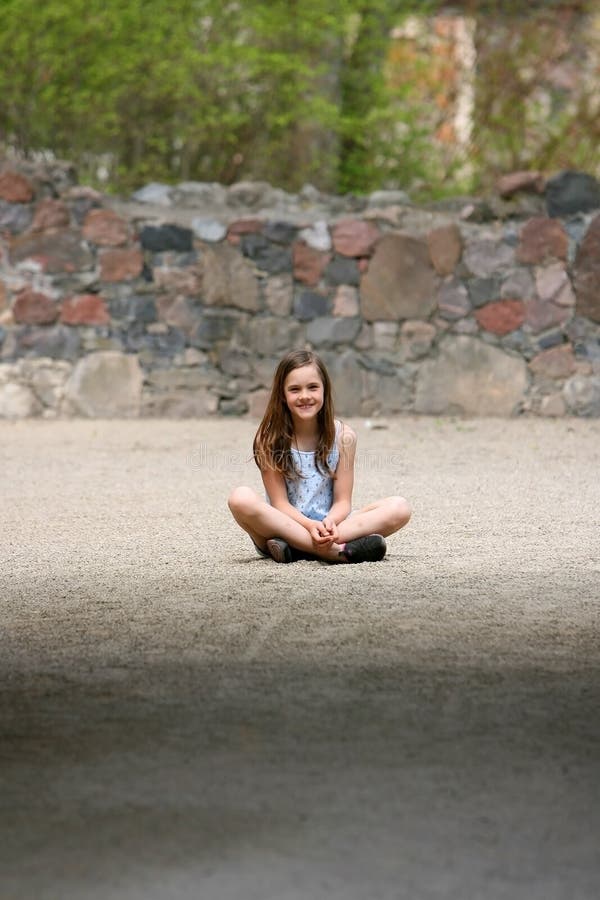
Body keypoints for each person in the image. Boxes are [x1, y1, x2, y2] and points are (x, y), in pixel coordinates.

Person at [227, 349, 411, 563]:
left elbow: (343, 501)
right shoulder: (269, 439)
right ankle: (334, 552)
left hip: (332, 527)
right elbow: (280, 504)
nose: (305, 396)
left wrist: (329, 523)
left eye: (312, 387)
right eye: (295, 389)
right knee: (240, 498)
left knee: (399, 507)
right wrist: (309, 526)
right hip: (284, 526)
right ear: (283, 396)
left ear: (324, 390)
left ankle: (297, 549)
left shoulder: (344, 437)